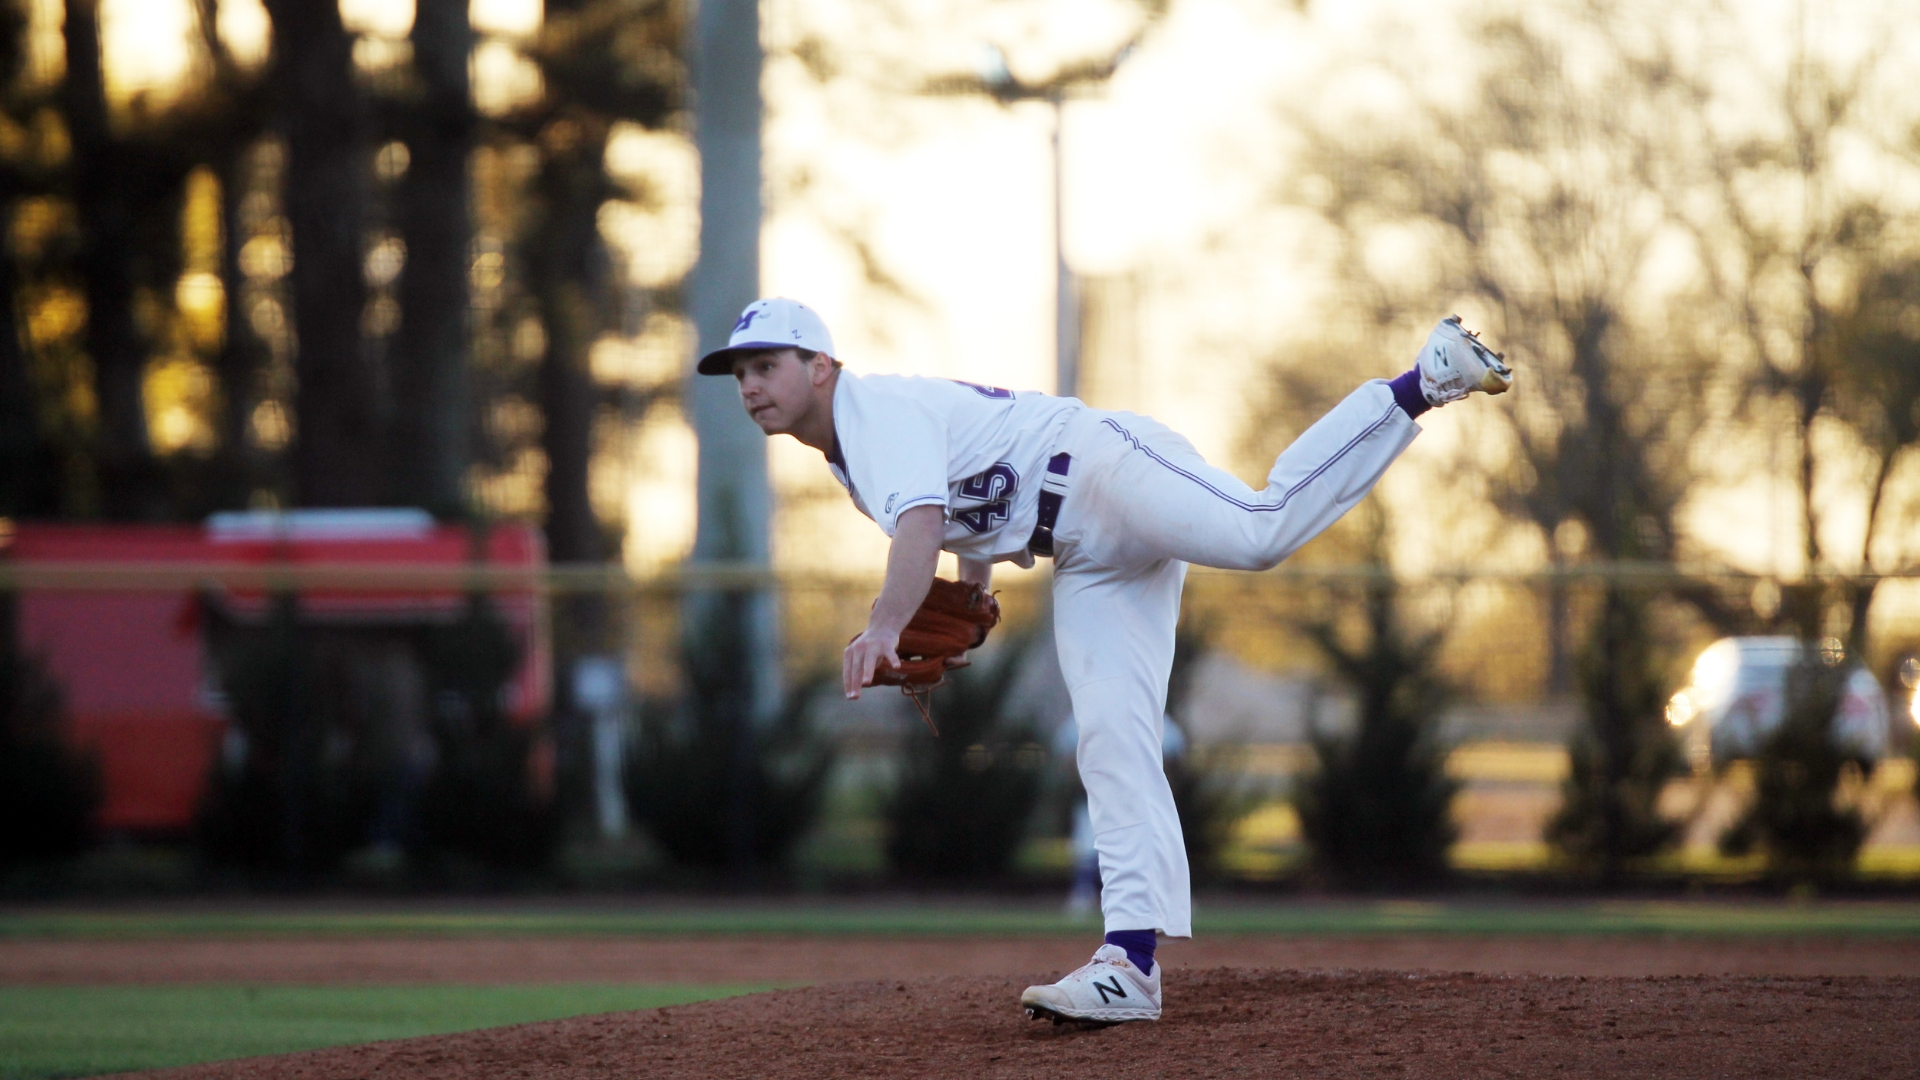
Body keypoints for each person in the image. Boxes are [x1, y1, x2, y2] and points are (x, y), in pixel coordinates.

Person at [697, 297, 1512, 1024]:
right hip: (1084, 552)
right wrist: (973, 594)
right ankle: (1130, 965)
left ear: (821, 365)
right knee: (1112, 735)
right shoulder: (851, 450)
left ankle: (1422, 381)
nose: (750, 386)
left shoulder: (871, 413)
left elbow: (920, 521)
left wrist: (885, 625)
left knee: (1258, 532)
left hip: (1102, 467)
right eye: (740, 374)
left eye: (766, 366)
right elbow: (953, 512)